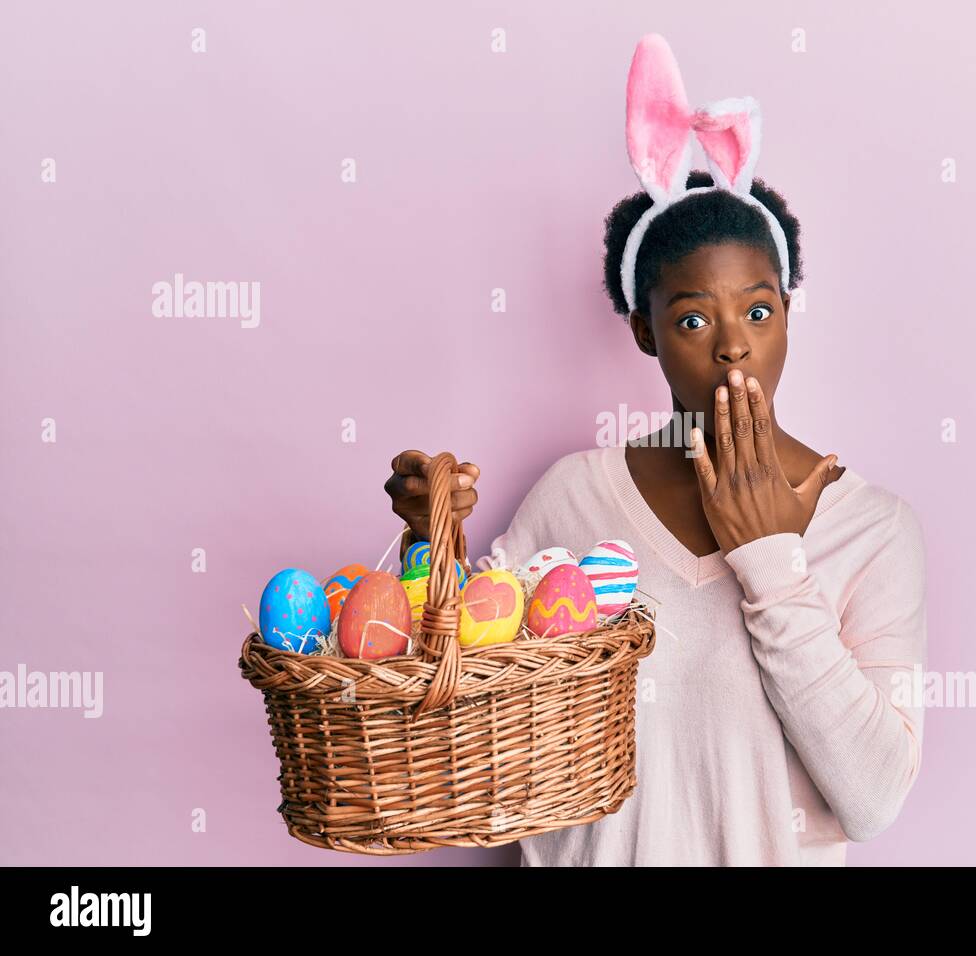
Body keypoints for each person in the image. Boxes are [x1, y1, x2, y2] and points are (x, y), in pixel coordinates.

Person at [382, 34, 926, 866]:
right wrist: (430, 545)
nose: (733, 348)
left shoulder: (876, 531)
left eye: (758, 311)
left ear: (788, 312)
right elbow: (463, 715)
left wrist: (772, 560)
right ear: (645, 331)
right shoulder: (572, 500)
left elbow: (874, 798)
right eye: (693, 319)